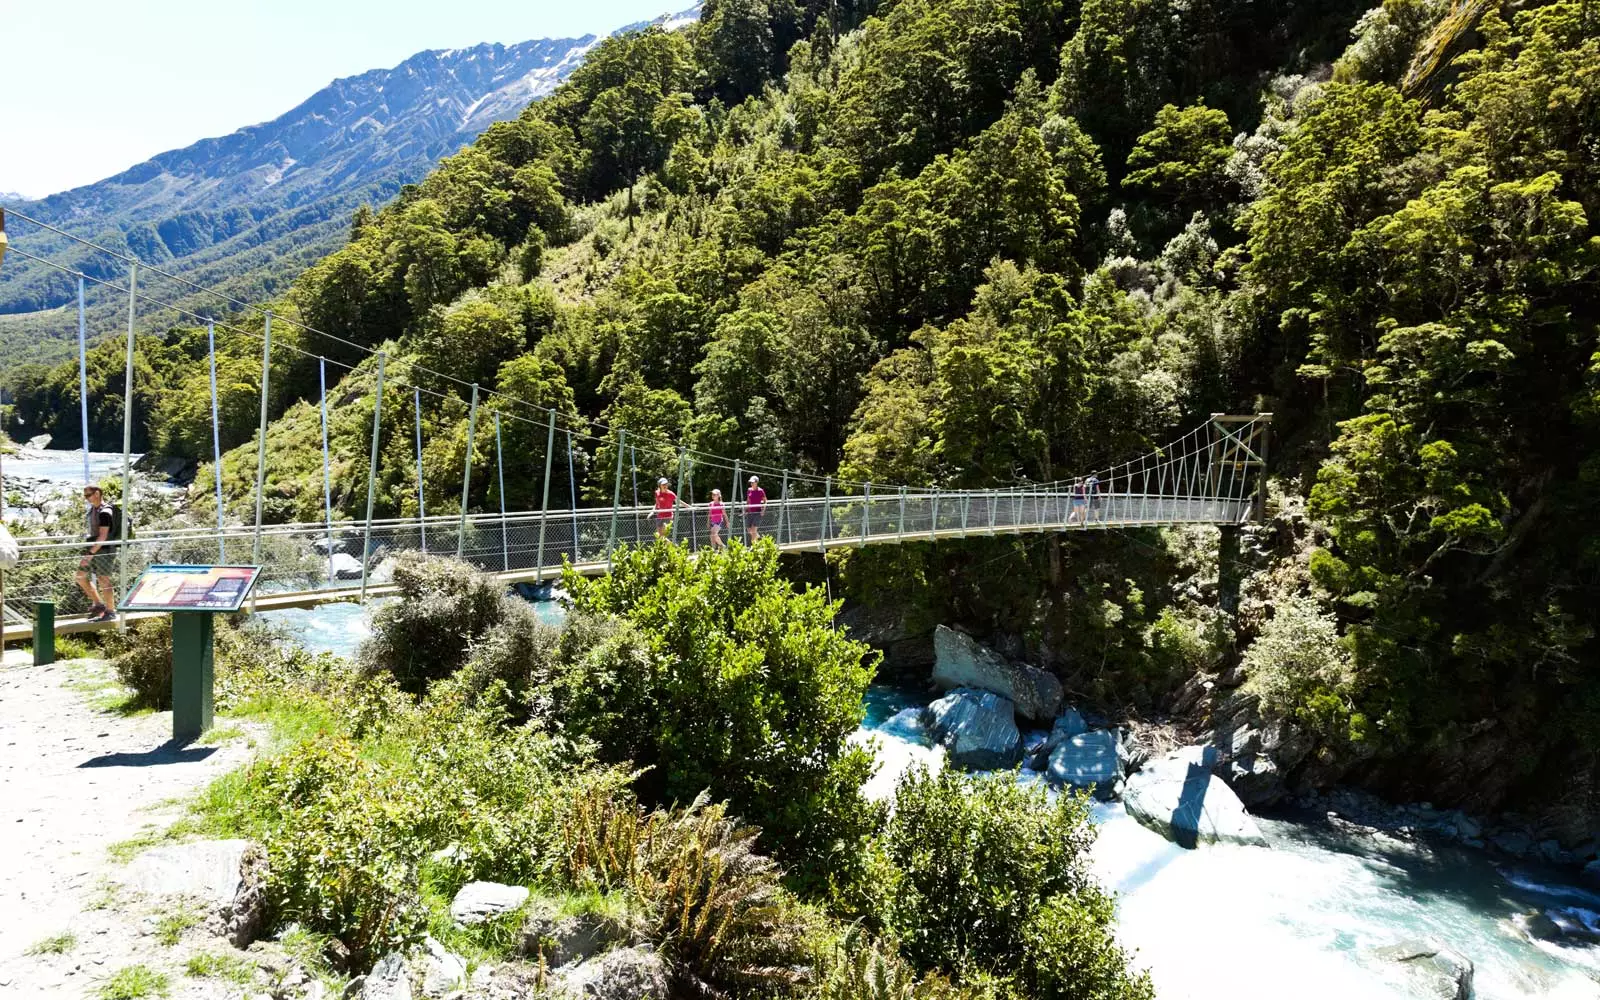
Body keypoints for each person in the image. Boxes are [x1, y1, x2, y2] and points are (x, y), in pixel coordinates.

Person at [75, 485, 117, 621]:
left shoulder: (105, 512)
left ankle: (110, 611)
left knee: (103, 579)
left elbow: (103, 536)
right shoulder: (94, 510)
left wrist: (89, 554)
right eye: (85, 496)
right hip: (94, 548)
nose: (86, 498)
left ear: (97, 493)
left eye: (89, 495)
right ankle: (99, 605)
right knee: (80, 576)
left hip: (104, 550)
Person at [744, 475, 767, 543]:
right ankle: (757, 536)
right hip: (750, 512)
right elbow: (748, 500)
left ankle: (754, 546)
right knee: (749, 529)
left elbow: (765, 501)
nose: (751, 483)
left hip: (757, 512)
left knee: (753, 530)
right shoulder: (749, 490)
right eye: (751, 482)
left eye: (753, 482)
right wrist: (745, 510)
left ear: (756, 482)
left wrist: (763, 510)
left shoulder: (760, 491)